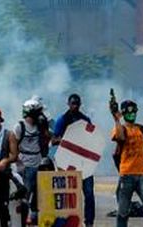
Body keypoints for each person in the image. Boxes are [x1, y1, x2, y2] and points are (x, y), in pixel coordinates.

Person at [110, 98, 143, 227]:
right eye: (129, 112)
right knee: (123, 212)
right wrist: (116, 119)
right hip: (126, 175)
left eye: (134, 112)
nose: (132, 114)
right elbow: (120, 137)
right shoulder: (121, 128)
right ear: (123, 113)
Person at [51, 93, 96, 227]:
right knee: (67, 194)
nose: (74, 106)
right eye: (72, 104)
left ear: (79, 105)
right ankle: (65, 221)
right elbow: (54, 140)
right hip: (68, 162)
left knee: (88, 194)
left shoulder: (85, 119)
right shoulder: (62, 119)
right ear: (68, 104)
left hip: (84, 162)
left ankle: (89, 222)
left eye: (77, 104)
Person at [14, 98, 50, 226]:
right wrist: (18, 163)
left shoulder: (39, 126)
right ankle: (22, 220)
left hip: (38, 162)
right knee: (26, 193)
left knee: (39, 193)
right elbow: (14, 146)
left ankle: (34, 219)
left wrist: (45, 126)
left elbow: (47, 139)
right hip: (26, 164)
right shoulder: (20, 127)